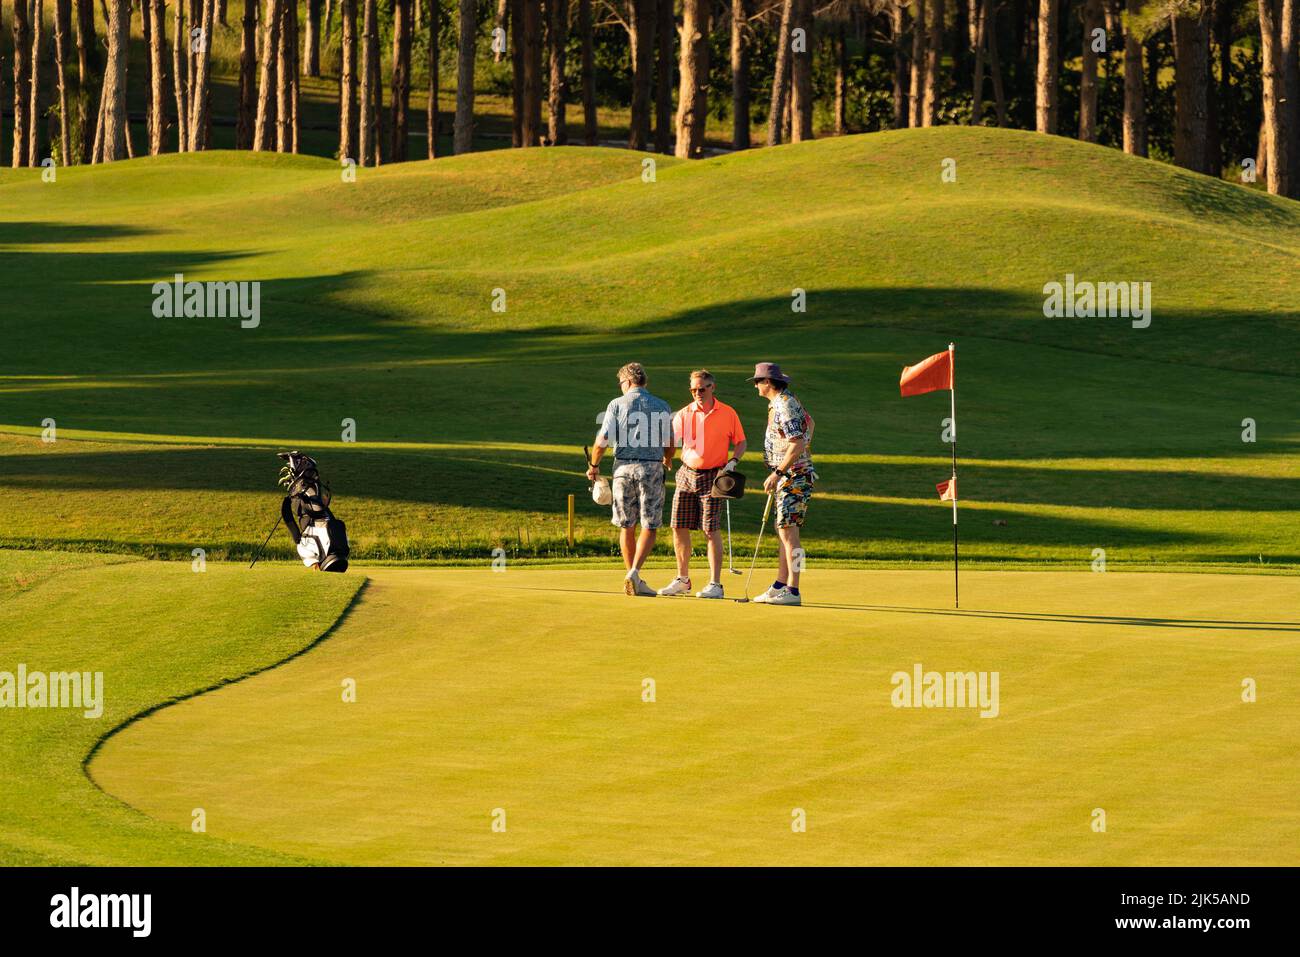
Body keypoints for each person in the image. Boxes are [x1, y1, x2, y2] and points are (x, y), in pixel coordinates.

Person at [659, 370, 747, 599]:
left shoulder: (727, 413)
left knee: (710, 529)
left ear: (712, 387)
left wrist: (733, 461)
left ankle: (715, 584)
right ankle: (682, 579)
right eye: (693, 389)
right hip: (686, 473)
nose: (697, 393)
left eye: (702, 388)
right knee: (678, 526)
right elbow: (671, 441)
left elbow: (741, 442)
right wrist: (667, 457)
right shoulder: (684, 414)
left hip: (714, 476)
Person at [587, 362, 673, 597]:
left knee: (627, 524)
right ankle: (634, 573)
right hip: (651, 468)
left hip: (623, 468)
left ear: (626, 382)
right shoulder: (662, 405)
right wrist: (667, 459)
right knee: (650, 524)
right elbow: (670, 444)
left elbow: (602, 439)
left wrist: (593, 466)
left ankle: (631, 574)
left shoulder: (616, 404)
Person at [749, 363, 815, 605]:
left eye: (758, 381)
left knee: (790, 534)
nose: (756, 385)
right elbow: (811, 423)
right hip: (790, 475)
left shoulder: (784, 405)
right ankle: (780, 583)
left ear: (768, 382)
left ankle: (794, 590)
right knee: (783, 531)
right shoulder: (783, 401)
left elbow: (796, 443)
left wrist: (779, 471)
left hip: (794, 477)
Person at [278, 451, 350, 573]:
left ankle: (298, 463)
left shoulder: (311, 493)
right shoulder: (314, 493)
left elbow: (290, 520)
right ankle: (297, 463)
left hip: (319, 532)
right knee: (303, 545)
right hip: (325, 534)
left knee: (302, 546)